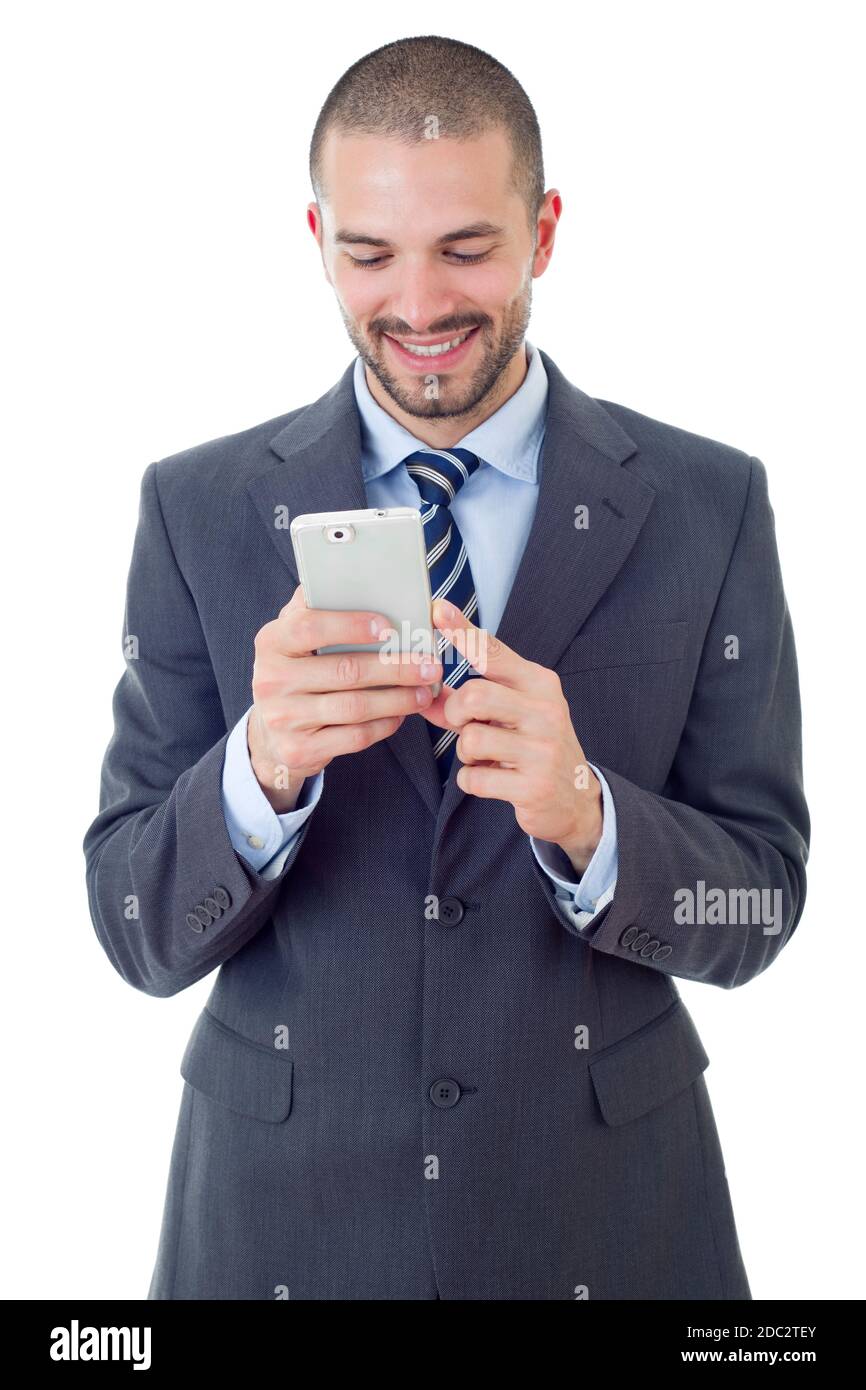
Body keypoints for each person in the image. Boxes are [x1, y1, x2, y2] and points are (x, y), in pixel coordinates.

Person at [83, 35, 809, 1301]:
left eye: (466, 248)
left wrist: (588, 817)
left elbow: (757, 906)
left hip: (607, 1226)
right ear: (315, 237)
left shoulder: (709, 504)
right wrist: (256, 772)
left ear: (544, 230)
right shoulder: (193, 508)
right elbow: (131, 925)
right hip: (278, 1233)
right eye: (368, 254)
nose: (416, 307)